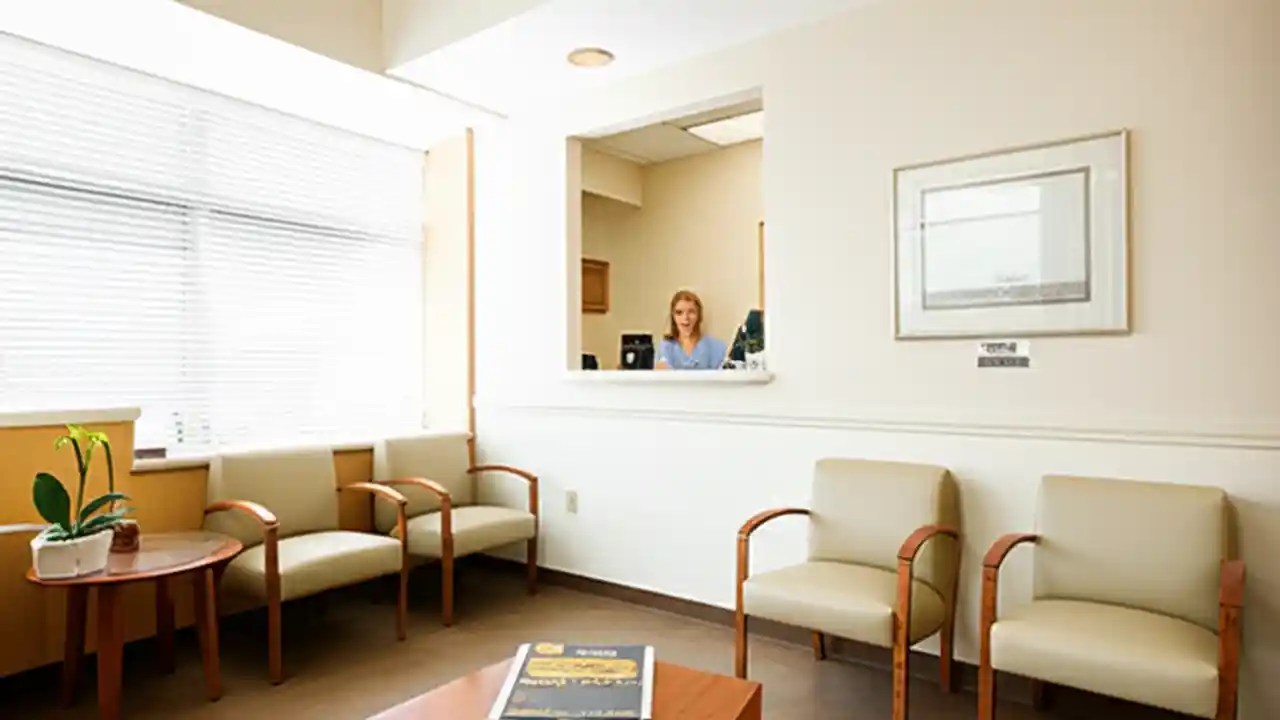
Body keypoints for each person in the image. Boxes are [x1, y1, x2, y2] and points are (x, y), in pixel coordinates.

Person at [656, 290, 727, 370]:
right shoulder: (665, 348)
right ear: (673, 317)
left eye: (691, 312)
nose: (685, 318)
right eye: (679, 313)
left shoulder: (716, 348)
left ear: (699, 315)